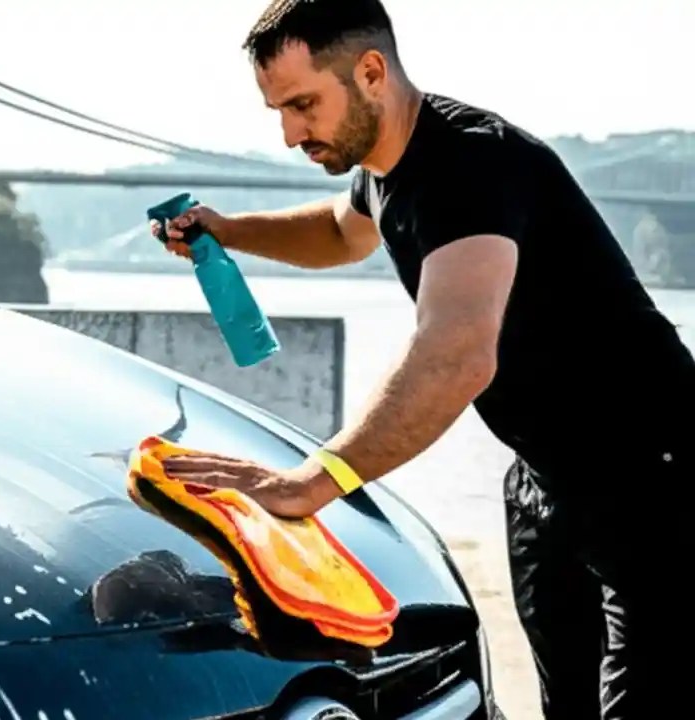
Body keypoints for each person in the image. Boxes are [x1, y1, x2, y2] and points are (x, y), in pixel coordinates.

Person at [149, 1, 695, 718]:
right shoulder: (384, 168)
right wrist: (229, 230)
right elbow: (341, 236)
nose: (288, 135)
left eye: (303, 105)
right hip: (544, 482)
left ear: (371, 72)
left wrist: (315, 481)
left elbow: (457, 357)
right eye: (278, 110)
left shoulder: (473, 161)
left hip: (653, 478)